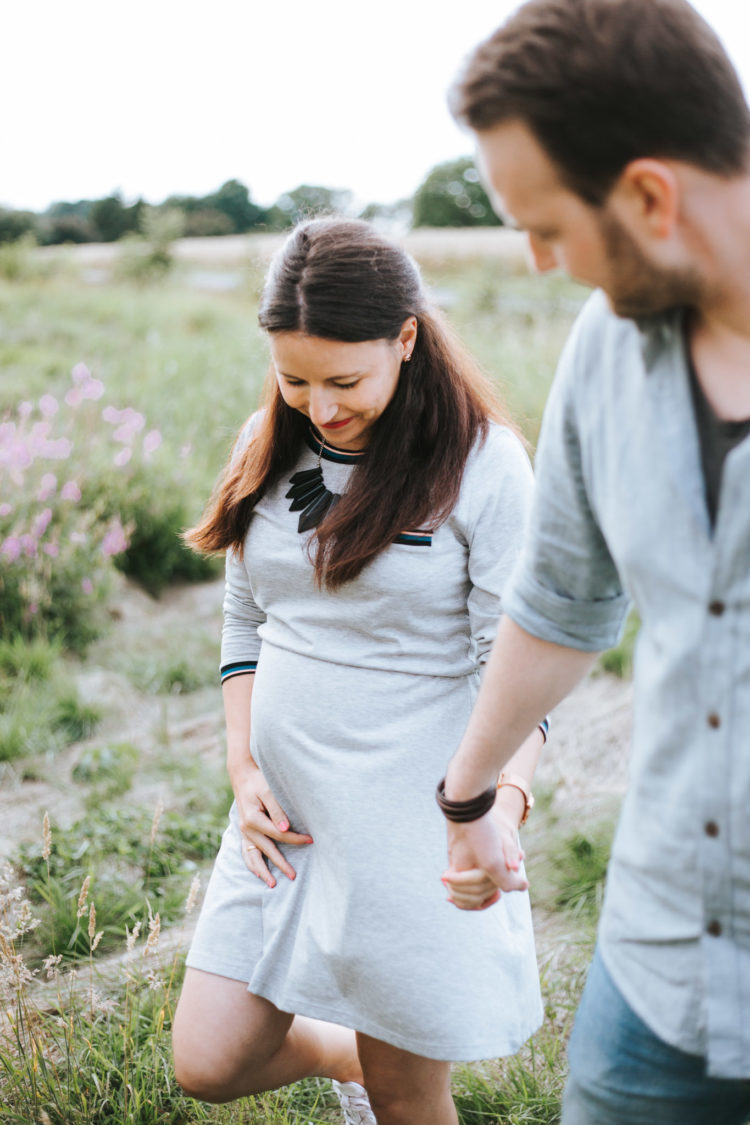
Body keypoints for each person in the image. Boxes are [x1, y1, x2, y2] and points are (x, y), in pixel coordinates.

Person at [439, 1, 750, 1123]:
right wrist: (469, 788)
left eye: (548, 225)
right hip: (659, 961)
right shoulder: (605, 352)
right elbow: (562, 601)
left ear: (651, 196)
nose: (535, 260)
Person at [171, 217, 546, 1125]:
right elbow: (246, 613)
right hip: (285, 817)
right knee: (209, 1059)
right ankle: (356, 1063)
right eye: (294, 378)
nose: (319, 406)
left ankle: (390, 1078)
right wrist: (241, 761)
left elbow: (519, 661)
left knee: (411, 1103)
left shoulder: (484, 464)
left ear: (407, 339)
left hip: (416, 816)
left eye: (344, 380)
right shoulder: (272, 441)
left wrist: (501, 802)